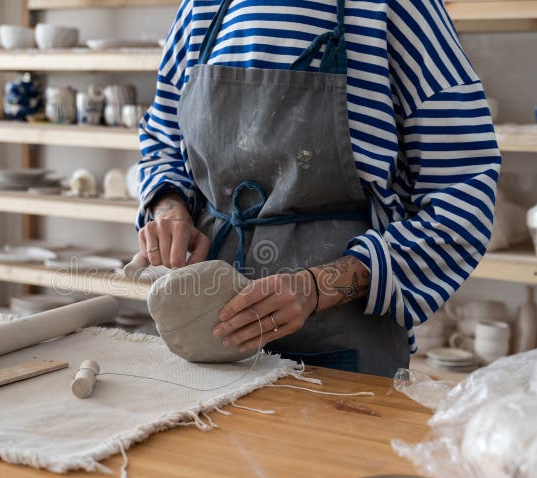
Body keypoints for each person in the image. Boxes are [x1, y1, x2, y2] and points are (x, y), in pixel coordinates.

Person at [136, 0, 501, 377]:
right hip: (210, 345)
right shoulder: (201, 7)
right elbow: (162, 141)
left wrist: (317, 288)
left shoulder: (400, 8)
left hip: (339, 348)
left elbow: (464, 199)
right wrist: (168, 208)